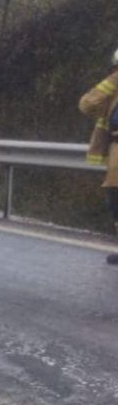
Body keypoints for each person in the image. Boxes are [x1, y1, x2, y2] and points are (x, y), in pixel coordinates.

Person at [80, 51, 118, 265]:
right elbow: (87, 104)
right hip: (116, 152)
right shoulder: (113, 93)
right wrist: (113, 82)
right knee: (116, 201)